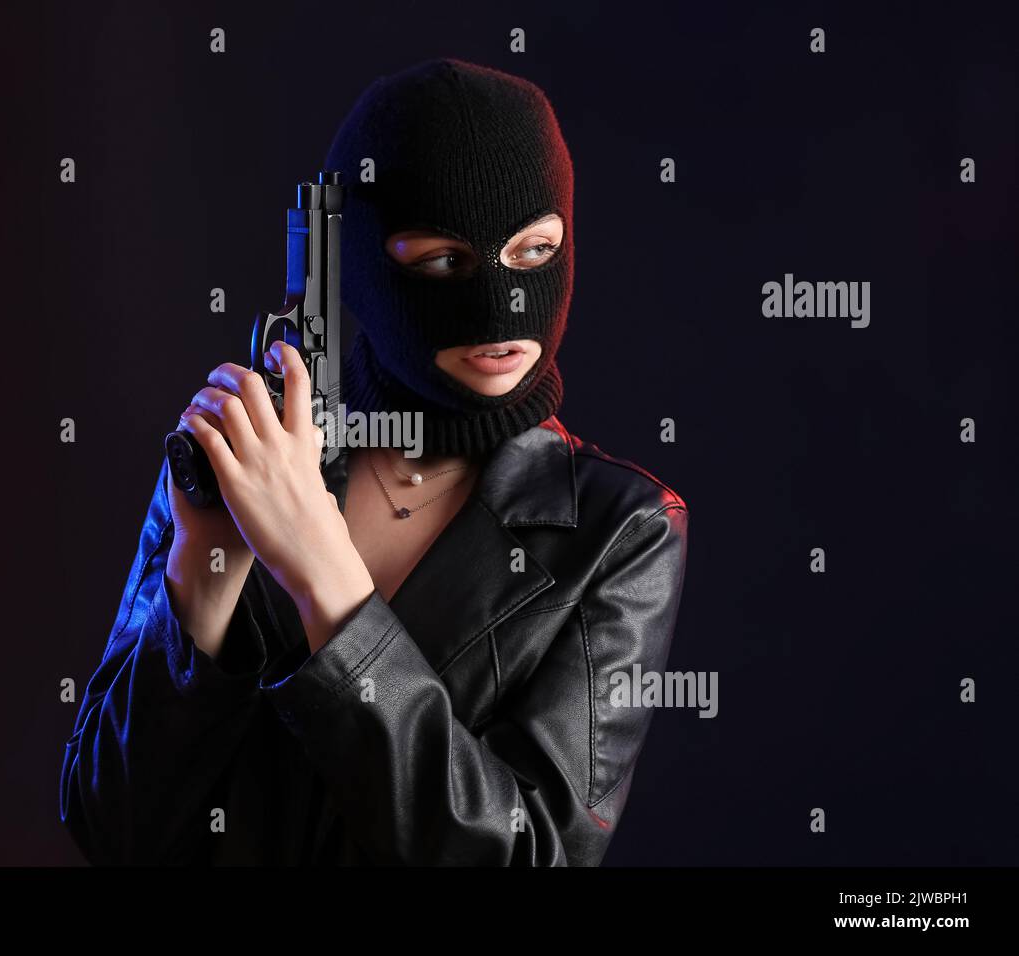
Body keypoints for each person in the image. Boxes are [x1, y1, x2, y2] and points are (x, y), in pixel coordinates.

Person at [59, 57, 690, 866]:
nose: (501, 310)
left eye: (535, 252)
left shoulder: (620, 530)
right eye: (442, 262)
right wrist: (207, 567)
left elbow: (529, 857)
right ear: (357, 261)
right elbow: (112, 826)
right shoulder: (253, 457)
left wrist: (326, 577)